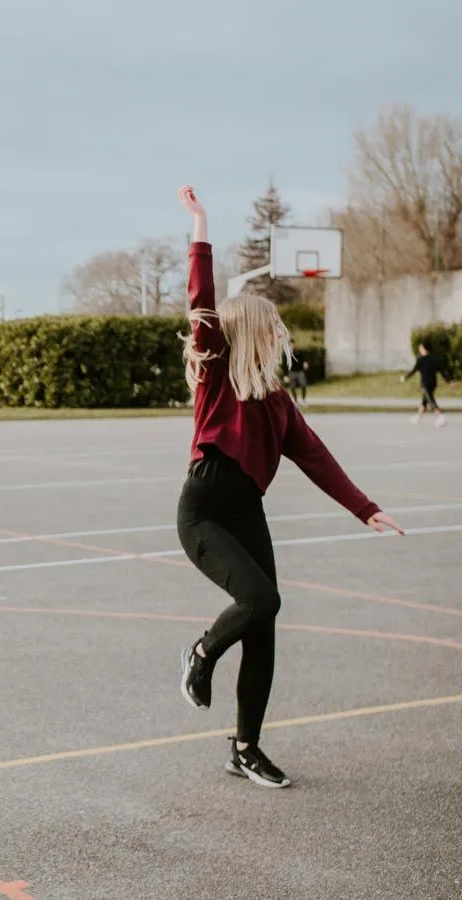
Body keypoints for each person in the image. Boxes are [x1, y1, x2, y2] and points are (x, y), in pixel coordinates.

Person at [175, 185, 404, 789]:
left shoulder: (277, 403)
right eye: (273, 327)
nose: (281, 334)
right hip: (203, 512)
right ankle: (200, 654)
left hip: (247, 510)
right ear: (250, 331)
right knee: (261, 600)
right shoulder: (217, 373)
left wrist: (366, 508)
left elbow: (316, 457)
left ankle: (245, 747)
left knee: (265, 626)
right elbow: (201, 299)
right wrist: (201, 224)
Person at [401, 343, 450, 427]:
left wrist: (405, 378)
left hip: (425, 384)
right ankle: (418, 418)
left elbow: (413, 371)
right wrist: (448, 380)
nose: (419, 350)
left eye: (421, 348)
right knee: (424, 402)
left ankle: (441, 417)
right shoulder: (435, 359)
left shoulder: (420, 360)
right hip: (433, 383)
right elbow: (442, 371)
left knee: (431, 400)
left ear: (425, 349)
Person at [283, 340, 309, 407]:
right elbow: (284, 365)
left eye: (292, 345)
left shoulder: (298, 352)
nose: (292, 346)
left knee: (303, 384)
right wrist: (285, 375)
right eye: (290, 345)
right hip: (292, 372)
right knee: (292, 386)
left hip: (300, 371)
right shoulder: (286, 354)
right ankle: (295, 400)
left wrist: (305, 363)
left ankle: (303, 399)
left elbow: (303, 359)